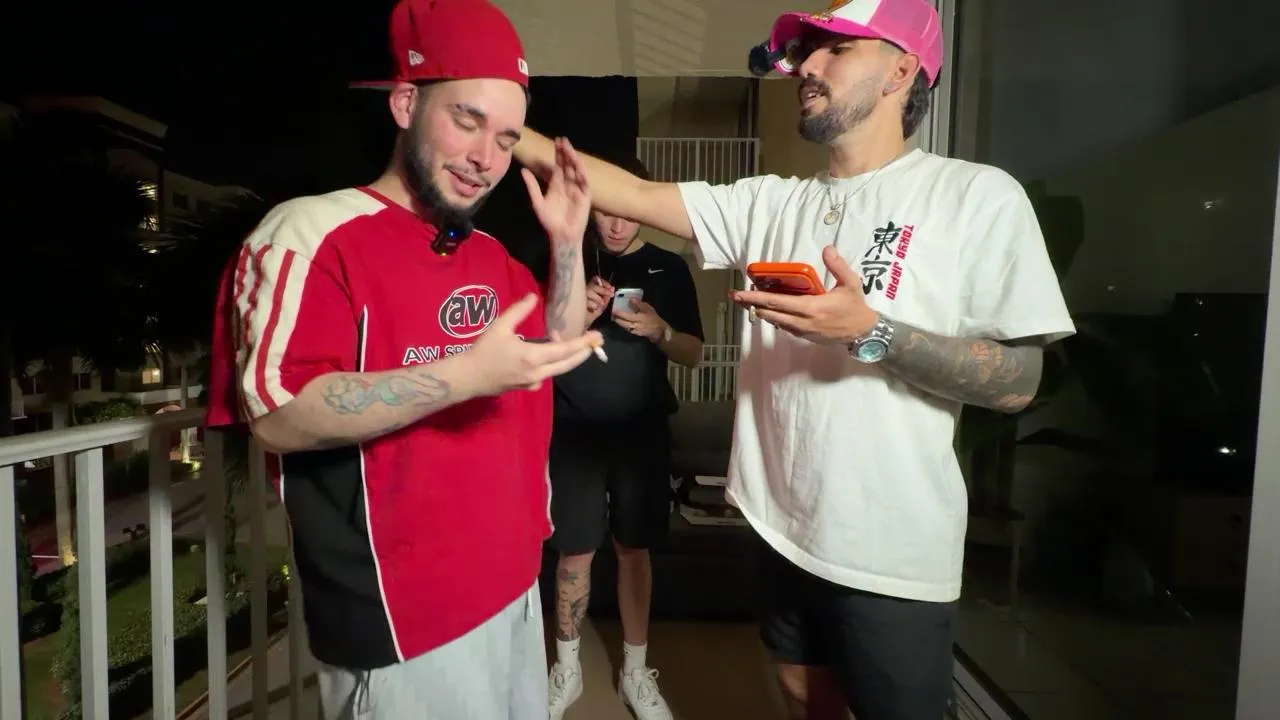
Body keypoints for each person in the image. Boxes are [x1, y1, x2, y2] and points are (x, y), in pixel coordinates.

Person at [514, 0, 1076, 718]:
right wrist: (499, 126)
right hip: (779, 532)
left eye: (836, 49)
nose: (807, 65)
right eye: (808, 50)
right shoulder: (770, 203)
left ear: (901, 71)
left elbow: (1019, 381)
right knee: (804, 700)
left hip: (891, 555)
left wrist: (872, 331)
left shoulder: (975, 196)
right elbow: (631, 191)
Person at [203, 0, 604, 717]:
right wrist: (465, 376)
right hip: (403, 619)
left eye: (506, 139)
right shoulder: (310, 233)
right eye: (467, 121)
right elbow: (278, 416)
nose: (486, 159)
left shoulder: (490, 254)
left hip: (514, 586)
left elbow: (557, 340)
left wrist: (568, 242)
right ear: (405, 103)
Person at [546, 157, 704, 720]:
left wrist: (662, 330)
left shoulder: (669, 267)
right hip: (572, 430)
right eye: (605, 212)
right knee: (574, 551)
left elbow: (693, 352)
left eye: (626, 212)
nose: (616, 225)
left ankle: (636, 671)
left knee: (634, 550)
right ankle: (566, 668)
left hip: (641, 433)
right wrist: (575, 317)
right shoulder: (565, 258)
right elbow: (538, 348)